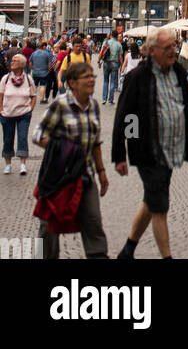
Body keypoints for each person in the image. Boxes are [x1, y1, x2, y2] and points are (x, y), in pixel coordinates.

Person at [113, 27, 188, 260]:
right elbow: (127, 116)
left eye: (173, 47)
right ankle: (167, 256)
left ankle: (128, 249)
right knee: (160, 205)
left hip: (171, 149)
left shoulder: (176, 72)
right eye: (167, 48)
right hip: (149, 152)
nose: (173, 52)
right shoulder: (137, 77)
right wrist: (125, 150)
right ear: (152, 51)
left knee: (153, 199)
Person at [32, 60, 110, 258]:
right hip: (58, 175)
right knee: (48, 226)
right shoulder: (61, 104)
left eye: (93, 76)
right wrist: (64, 150)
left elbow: (95, 142)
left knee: (93, 222)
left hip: (85, 175)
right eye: (86, 77)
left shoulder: (93, 105)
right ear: (73, 83)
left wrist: (101, 172)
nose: (92, 79)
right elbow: (38, 135)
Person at [0, 53, 38, 176]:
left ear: (22, 64)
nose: (12, 62)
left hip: (23, 114)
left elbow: (33, 95)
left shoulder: (28, 79)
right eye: (12, 61)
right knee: (8, 138)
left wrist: (30, 109)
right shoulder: (5, 79)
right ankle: (8, 164)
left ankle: (22, 164)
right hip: (7, 114)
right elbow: (0, 96)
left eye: (15, 61)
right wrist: (1, 110)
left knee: (22, 137)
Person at [98, 32, 124, 105]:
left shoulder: (106, 42)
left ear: (111, 35)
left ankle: (104, 98)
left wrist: (98, 61)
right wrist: (122, 66)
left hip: (106, 62)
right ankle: (110, 99)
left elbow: (101, 53)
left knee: (105, 80)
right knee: (112, 81)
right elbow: (120, 57)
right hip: (115, 63)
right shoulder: (119, 44)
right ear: (116, 36)